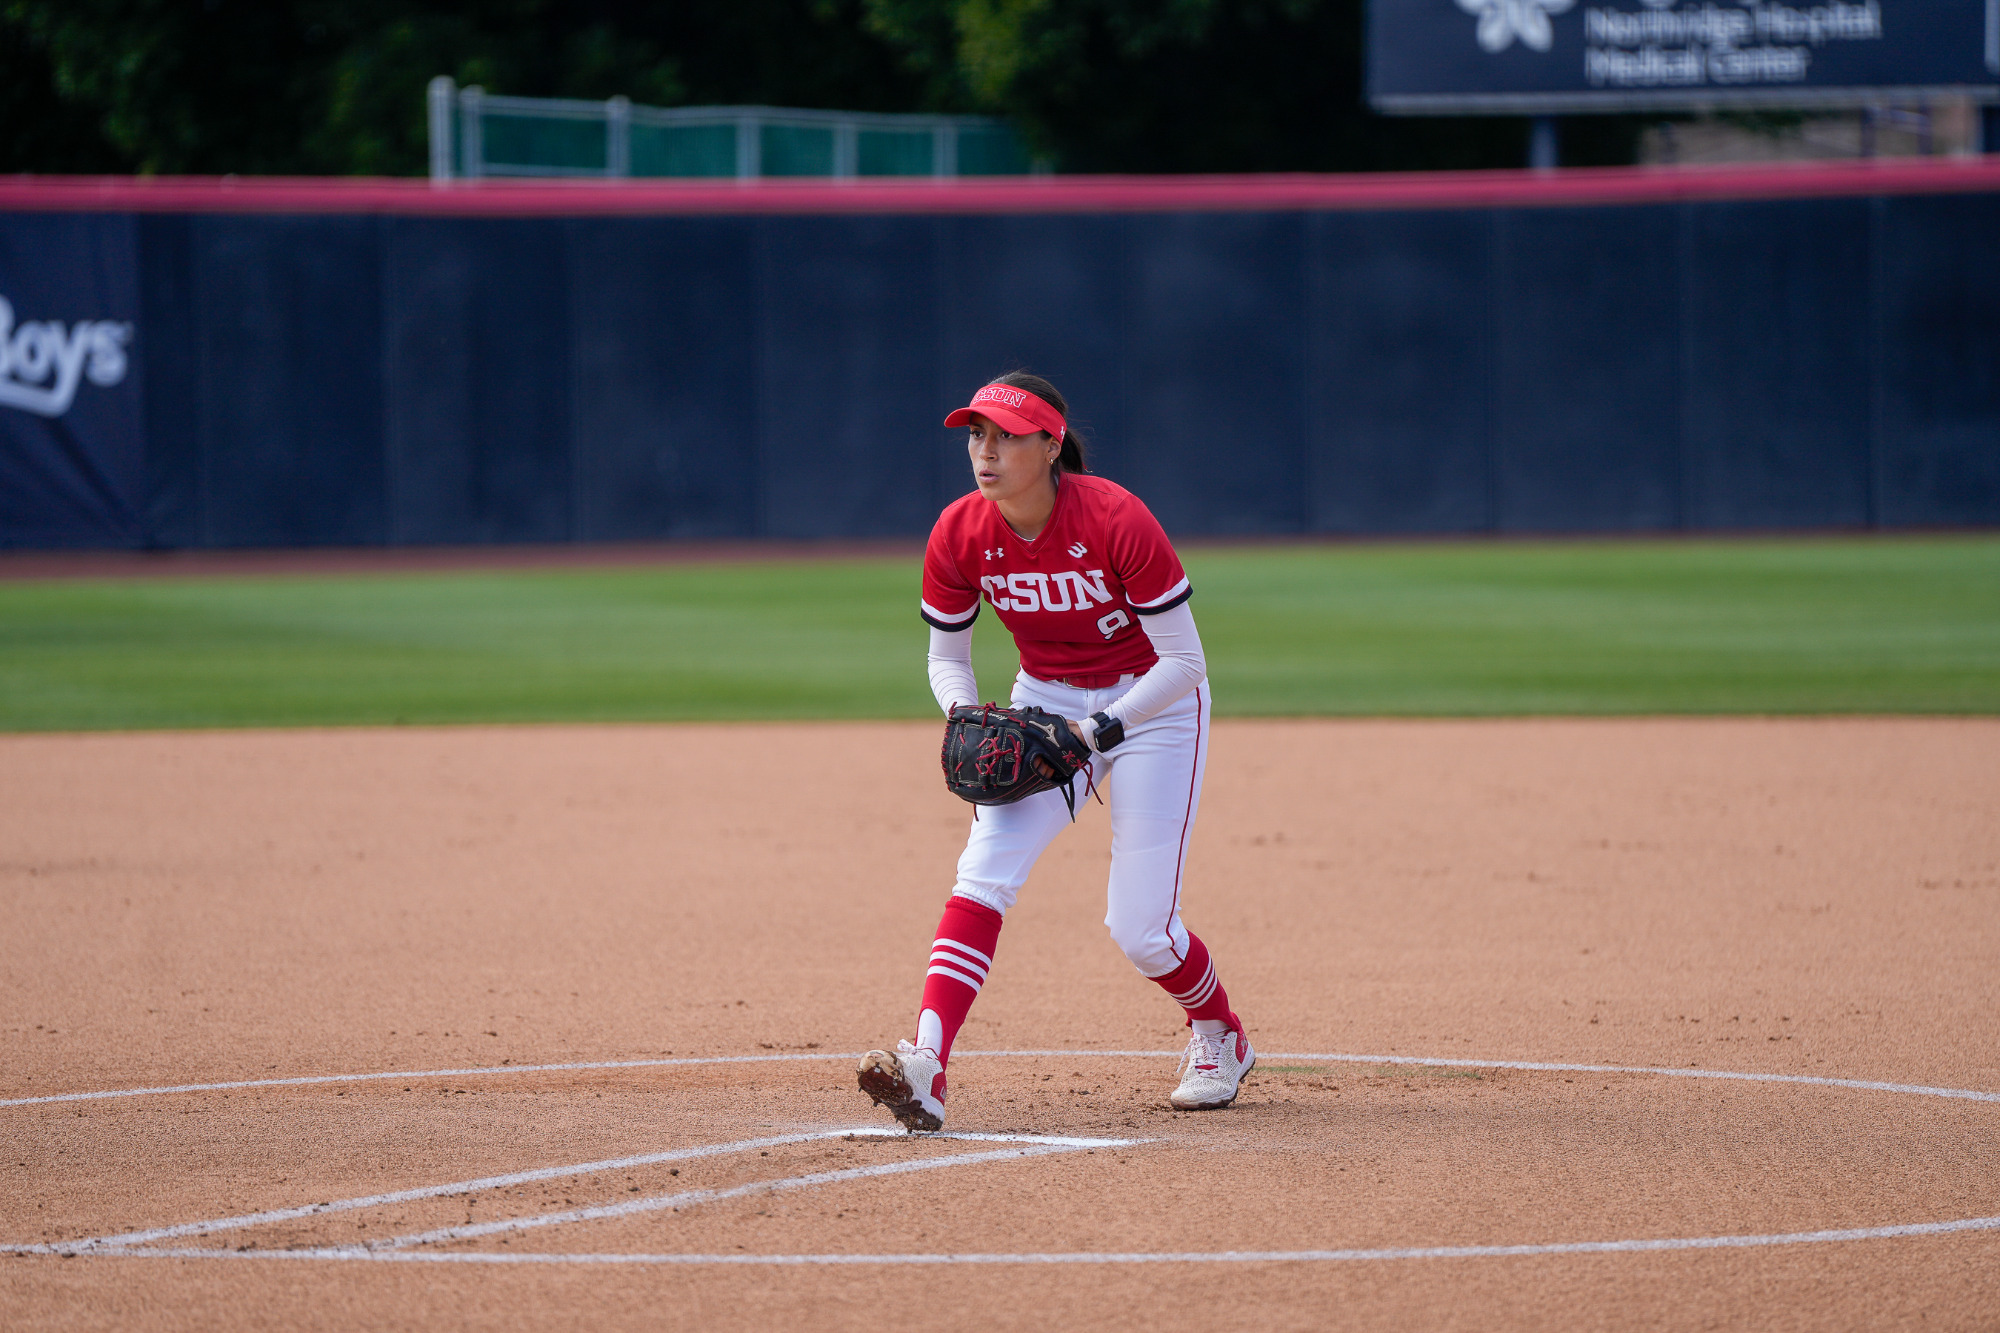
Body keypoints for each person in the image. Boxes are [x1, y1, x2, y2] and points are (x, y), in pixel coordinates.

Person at [856, 372, 1253, 1133]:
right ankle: (927, 1064)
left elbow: (1185, 662)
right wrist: (965, 714)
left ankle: (1219, 1033)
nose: (985, 451)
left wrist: (1098, 729)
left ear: (1049, 445)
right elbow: (947, 657)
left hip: (1154, 705)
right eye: (977, 435)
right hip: (1045, 701)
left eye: (1005, 436)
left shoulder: (1115, 517)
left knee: (1141, 929)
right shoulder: (960, 531)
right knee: (982, 874)